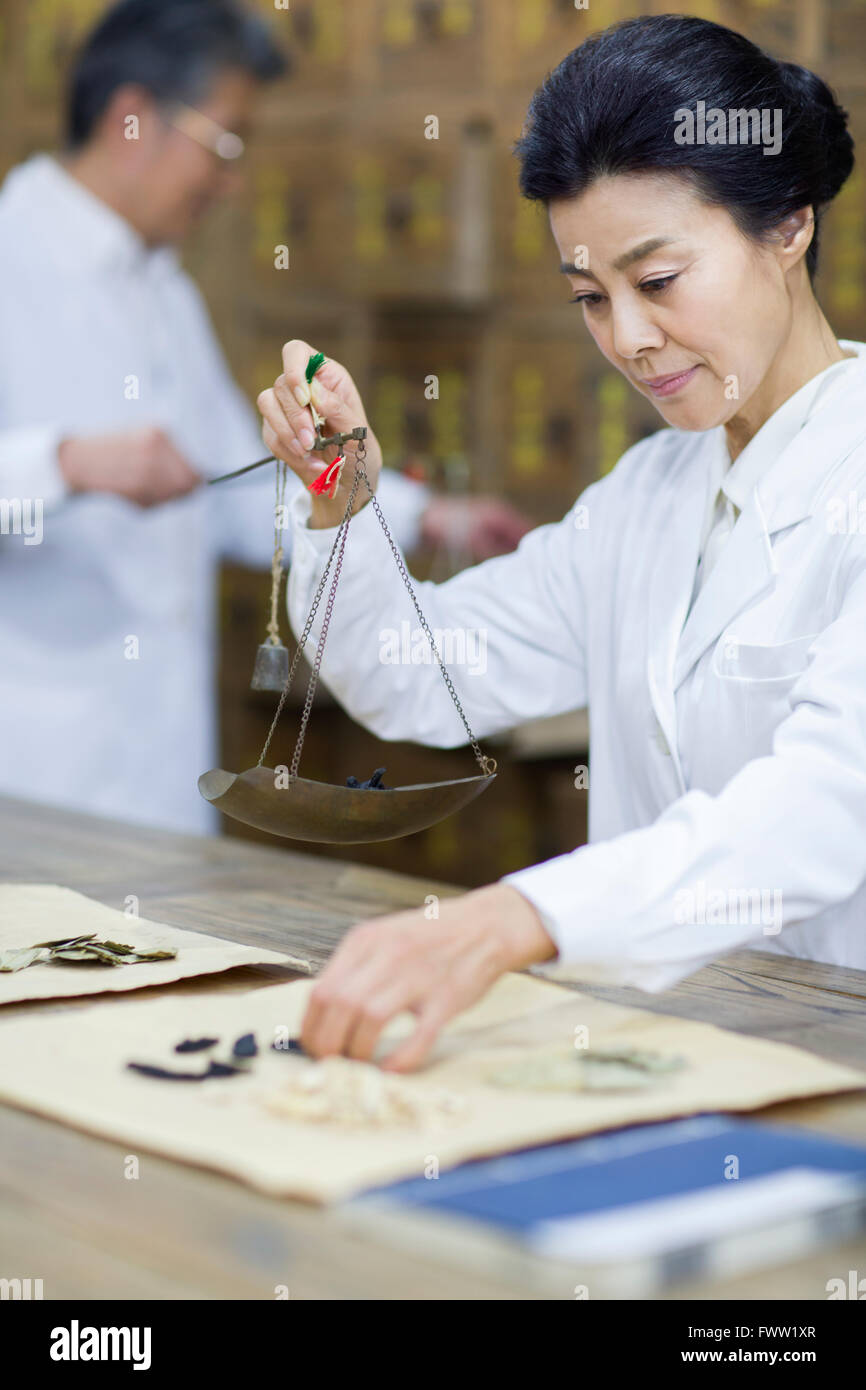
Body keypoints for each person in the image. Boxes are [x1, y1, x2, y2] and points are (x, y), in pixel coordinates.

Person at [257, 14, 866, 1070]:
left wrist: (513, 918)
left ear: (787, 228)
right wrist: (340, 503)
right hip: (659, 1062)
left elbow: (815, 811)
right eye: (590, 297)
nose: (626, 338)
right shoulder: (646, 493)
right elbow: (421, 682)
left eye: (658, 280)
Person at [0, 0, 528, 834]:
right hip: (32, 770)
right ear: (133, 119)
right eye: (225, 144)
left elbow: (232, 488)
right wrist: (62, 464)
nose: (232, 182)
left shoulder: (161, 287)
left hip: (157, 766)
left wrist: (428, 516)